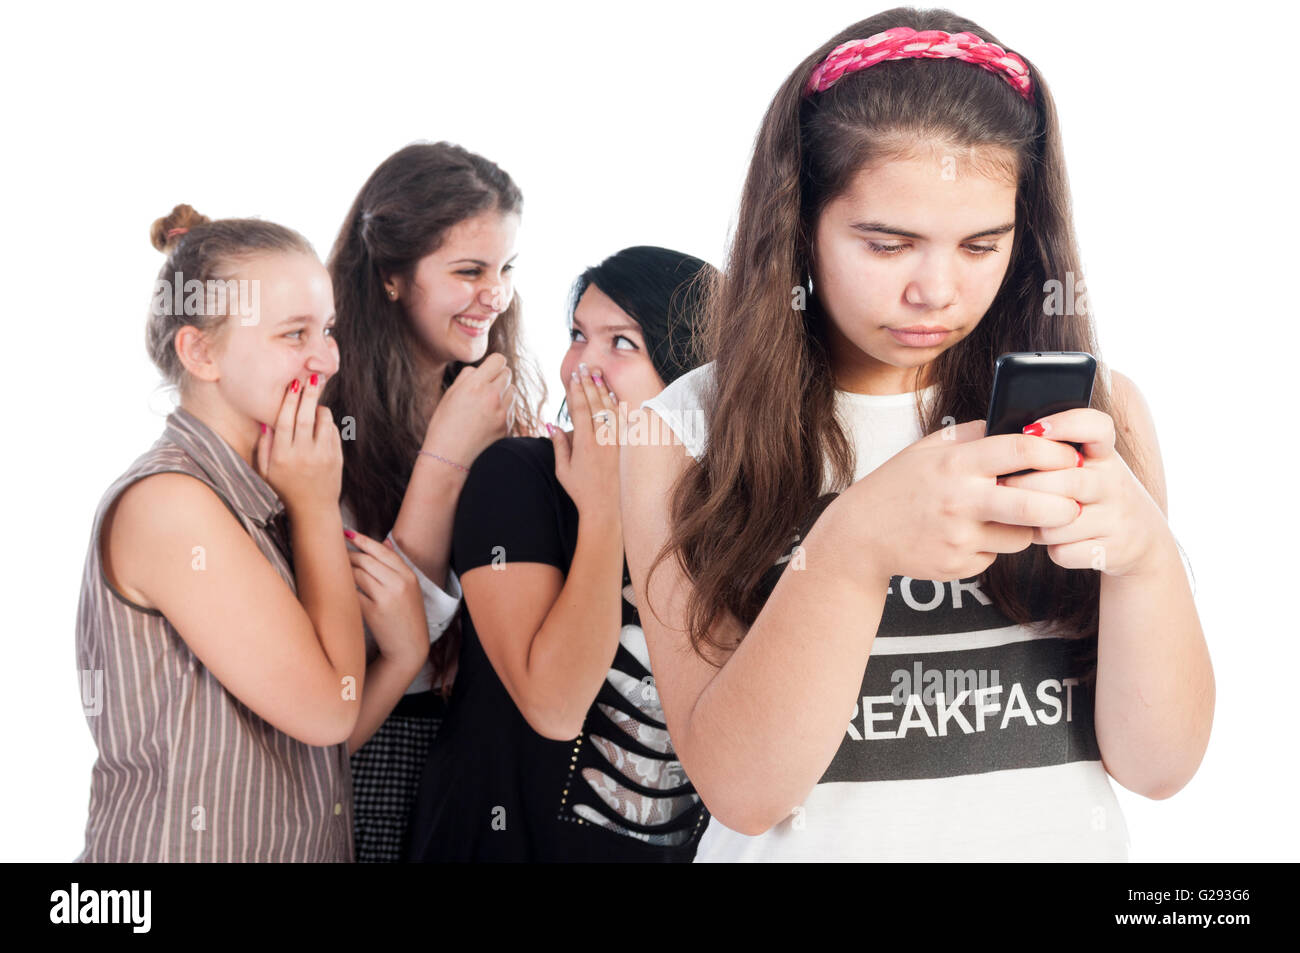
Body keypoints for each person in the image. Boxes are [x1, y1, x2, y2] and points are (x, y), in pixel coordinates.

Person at [621, 9, 1214, 862]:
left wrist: (1147, 559)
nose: (936, 290)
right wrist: (853, 544)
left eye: (982, 243)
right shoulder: (683, 432)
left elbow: (1159, 767)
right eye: (887, 243)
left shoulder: (1106, 413)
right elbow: (743, 790)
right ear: (799, 228)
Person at [75, 204, 387, 861]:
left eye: (326, 329)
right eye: (293, 333)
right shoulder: (172, 504)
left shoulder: (270, 487)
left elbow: (306, 741)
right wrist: (316, 506)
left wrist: (409, 653)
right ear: (201, 351)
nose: (326, 359)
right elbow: (329, 709)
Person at [405, 246, 717, 861]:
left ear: (693, 371)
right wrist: (603, 507)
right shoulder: (517, 478)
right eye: (578, 334)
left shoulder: (733, 516)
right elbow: (553, 706)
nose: (582, 366)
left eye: (621, 343)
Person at [323, 142, 546, 862]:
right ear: (391, 277)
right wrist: (444, 459)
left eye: (506, 268)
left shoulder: (495, 399)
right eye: (468, 271)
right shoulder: (323, 422)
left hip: (483, 754)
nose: (496, 294)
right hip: (373, 754)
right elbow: (357, 645)